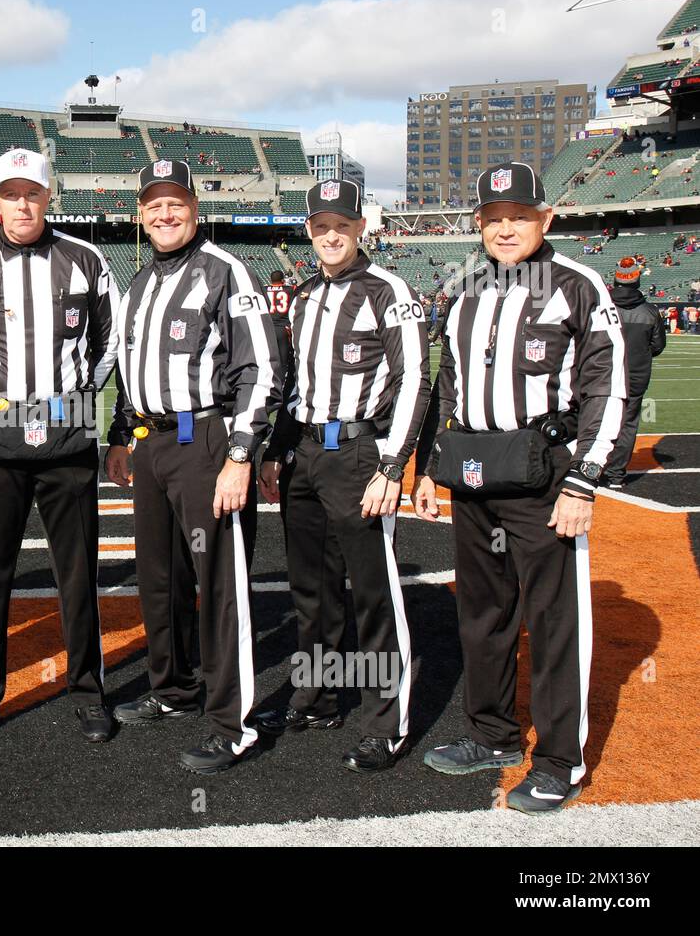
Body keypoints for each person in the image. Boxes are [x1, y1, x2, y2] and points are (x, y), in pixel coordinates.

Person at [413, 163, 626, 814]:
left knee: (555, 624)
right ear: (478, 223)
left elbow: (608, 388)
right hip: (473, 475)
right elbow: (445, 386)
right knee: (482, 617)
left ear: (546, 219)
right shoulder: (464, 289)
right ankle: (492, 733)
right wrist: (427, 467)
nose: (507, 228)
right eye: (494, 218)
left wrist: (585, 481)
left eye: (520, 217)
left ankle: (560, 761)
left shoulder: (578, 286)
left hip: (544, 480)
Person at [103, 159, 284, 774]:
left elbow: (261, 371)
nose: (164, 213)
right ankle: (174, 688)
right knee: (160, 580)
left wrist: (240, 454)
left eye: (175, 202)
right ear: (140, 215)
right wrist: (123, 434)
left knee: (221, 583)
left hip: (205, 440)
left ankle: (233, 724)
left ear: (194, 208)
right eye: (153, 204)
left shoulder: (227, 271)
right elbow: (131, 373)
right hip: (153, 445)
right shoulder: (140, 281)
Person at [0, 148, 120, 747]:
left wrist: (74, 398)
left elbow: (110, 340)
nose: (22, 203)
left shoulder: (85, 259)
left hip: (68, 438)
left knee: (77, 572)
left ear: (49, 196)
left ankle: (88, 690)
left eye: (32, 193)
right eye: (10, 193)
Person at [255, 179, 428, 773]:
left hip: (359, 455)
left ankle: (388, 722)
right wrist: (277, 450)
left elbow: (414, 382)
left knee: (373, 595)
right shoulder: (302, 297)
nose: (331, 235)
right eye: (321, 225)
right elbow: (293, 388)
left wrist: (391, 464)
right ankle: (319, 695)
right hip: (305, 451)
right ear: (309, 230)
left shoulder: (389, 291)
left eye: (342, 225)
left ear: (361, 228)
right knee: (313, 592)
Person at [603, 258, 666, 488]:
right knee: (628, 424)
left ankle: (590, 468)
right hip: (636, 376)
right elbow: (658, 346)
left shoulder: (603, 307)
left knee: (594, 420)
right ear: (637, 280)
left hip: (603, 374)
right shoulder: (650, 312)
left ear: (616, 279)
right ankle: (616, 475)